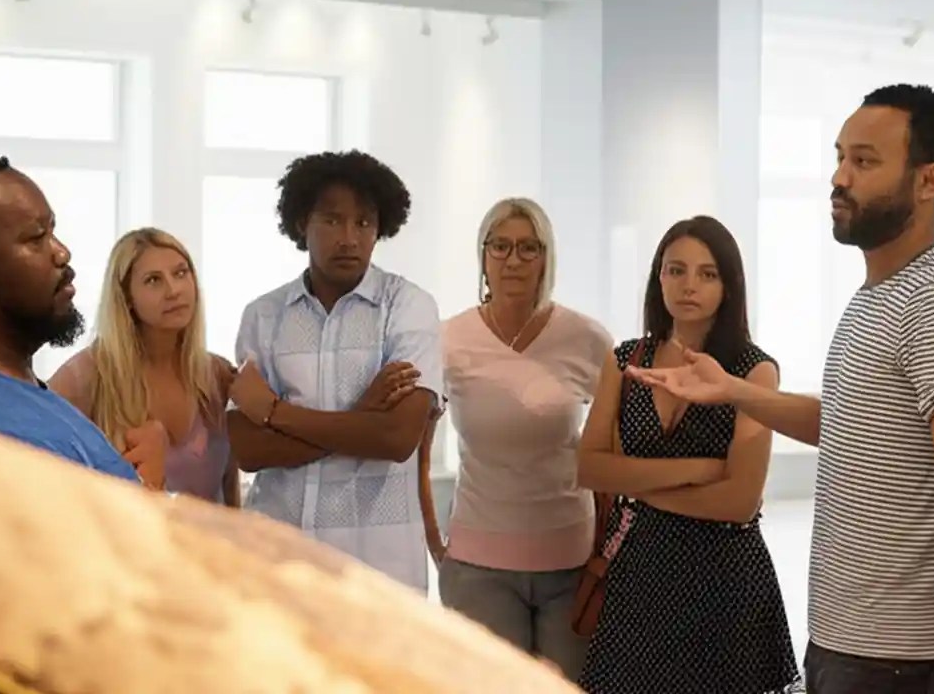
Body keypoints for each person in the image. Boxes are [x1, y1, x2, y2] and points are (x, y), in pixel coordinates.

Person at [631, 85, 934, 694]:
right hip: (849, 638)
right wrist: (734, 390)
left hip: (896, 653)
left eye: (864, 161)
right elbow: (850, 422)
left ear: (929, 181)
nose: (839, 177)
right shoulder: (879, 295)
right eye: (840, 156)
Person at [576, 216, 800, 694]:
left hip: (724, 579)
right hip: (640, 573)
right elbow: (590, 467)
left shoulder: (752, 372)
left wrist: (637, 485)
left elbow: (739, 500)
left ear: (728, 285)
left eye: (707, 273)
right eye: (675, 270)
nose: (689, 285)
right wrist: (696, 470)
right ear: (658, 278)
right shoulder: (626, 361)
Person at [227, 150, 442, 591]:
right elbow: (249, 449)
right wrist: (362, 414)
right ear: (302, 223)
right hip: (278, 560)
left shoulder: (407, 308)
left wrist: (274, 412)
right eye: (332, 220)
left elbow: (397, 438)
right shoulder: (264, 316)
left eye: (363, 223)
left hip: (379, 570)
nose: (349, 237)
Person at [0, 152, 159, 486]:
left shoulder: (11, 397)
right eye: (36, 238)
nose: (61, 252)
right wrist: (149, 490)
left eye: (52, 231)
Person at [435, 198, 612, 681]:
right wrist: (433, 538)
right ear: (484, 256)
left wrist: (605, 547)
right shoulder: (448, 339)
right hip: (477, 566)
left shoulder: (586, 338)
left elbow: (615, 444)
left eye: (528, 248)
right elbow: (413, 446)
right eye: (501, 246)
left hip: (571, 564)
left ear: (546, 258)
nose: (513, 259)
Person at [49, 228, 241, 505]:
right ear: (126, 297)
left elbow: (230, 491)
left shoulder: (218, 374)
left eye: (181, 273)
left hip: (212, 546)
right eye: (153, 280)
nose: (174, 290)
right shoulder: (84, 378)